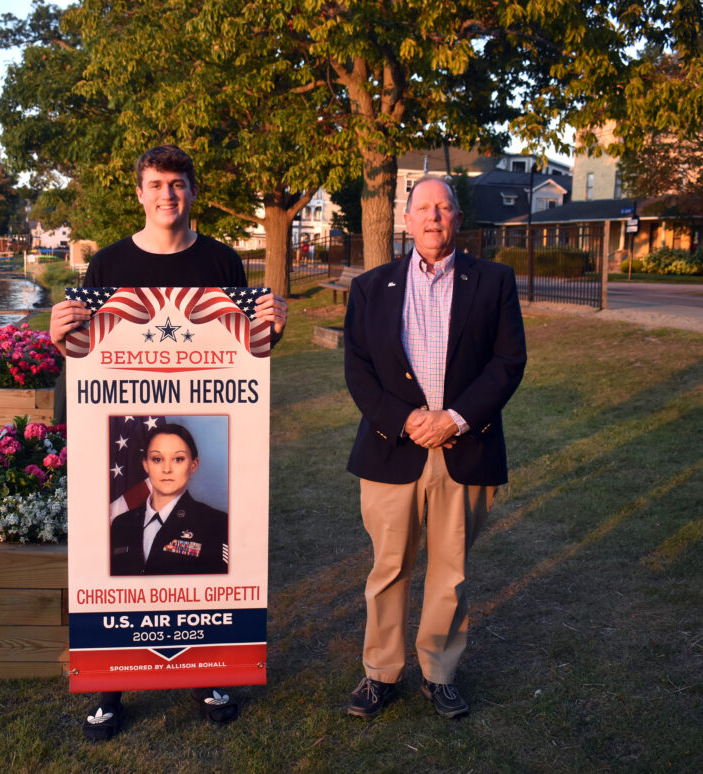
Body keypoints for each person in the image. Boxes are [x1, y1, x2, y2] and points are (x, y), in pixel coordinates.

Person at [50, 144, 288, 741]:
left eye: (177, 184)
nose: (167, 195)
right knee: (118, 566)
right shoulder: (106, 267)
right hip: (128, 423)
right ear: (139, 192)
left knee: (201, 561)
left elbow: (241, 358)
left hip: (196, 406)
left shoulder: (223, 263)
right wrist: (61, 338)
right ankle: (108, 687)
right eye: (155, 184)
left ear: (193, 192)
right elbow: (84, 352)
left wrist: (272, 330)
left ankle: (212, 673)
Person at [342, 177, 526, 720]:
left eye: (444, 207)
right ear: (406, 219)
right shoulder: (372, 287)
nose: (433, 216)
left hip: (465, 448)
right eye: (423, 207)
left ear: (458, 219)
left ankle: (439, 672)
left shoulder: (493, 281)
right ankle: (380, 673)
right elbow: (358, 369)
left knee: (450, 569)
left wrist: (456, 419)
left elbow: (507, 363)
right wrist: (406, 420)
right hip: (390, 450)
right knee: (389, 567)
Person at [110, 423, 228, 575]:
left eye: (178, 459)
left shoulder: (217, 525)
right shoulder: (121, 524)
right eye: (157, 459)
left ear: (193, 465)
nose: (166, 469)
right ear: (146, 465)